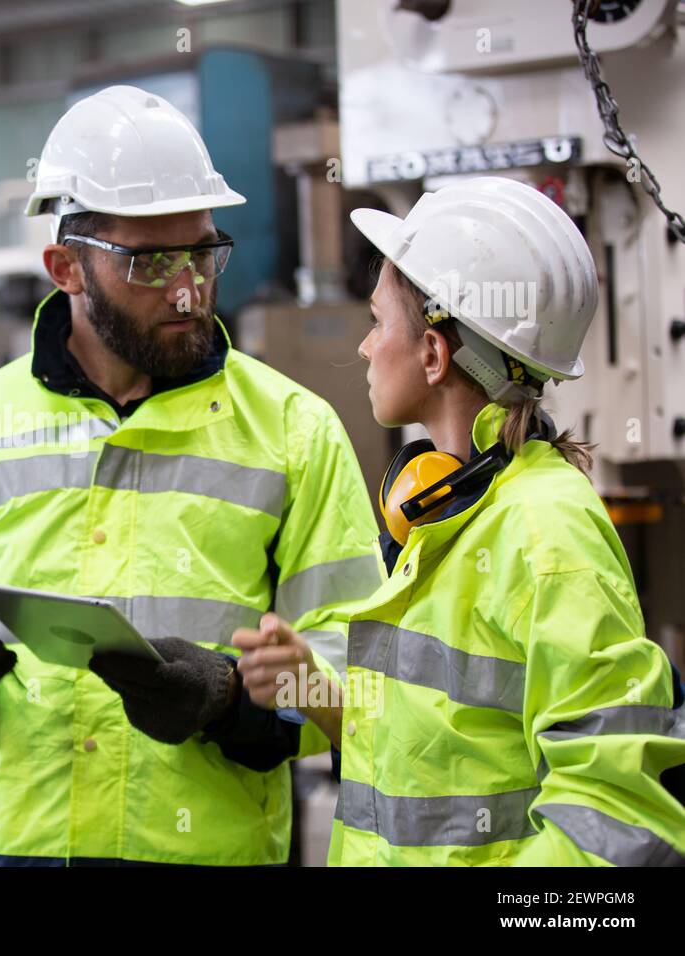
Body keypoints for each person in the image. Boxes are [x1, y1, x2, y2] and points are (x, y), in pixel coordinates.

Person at [0, 85, 379, 866]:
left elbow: (356, 670)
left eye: (203, 253)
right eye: (151, 262)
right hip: (10, 852)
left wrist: (233, 701)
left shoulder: (295, 433)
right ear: (65, 268)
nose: (188, 288)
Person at [235, 176, 685, 865]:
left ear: (434, 354)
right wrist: (318, 693)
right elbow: (441, 757)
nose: (364, 347)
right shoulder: (447, 513)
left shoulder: (543, 533)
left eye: (377, 321)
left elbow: (617, 820)